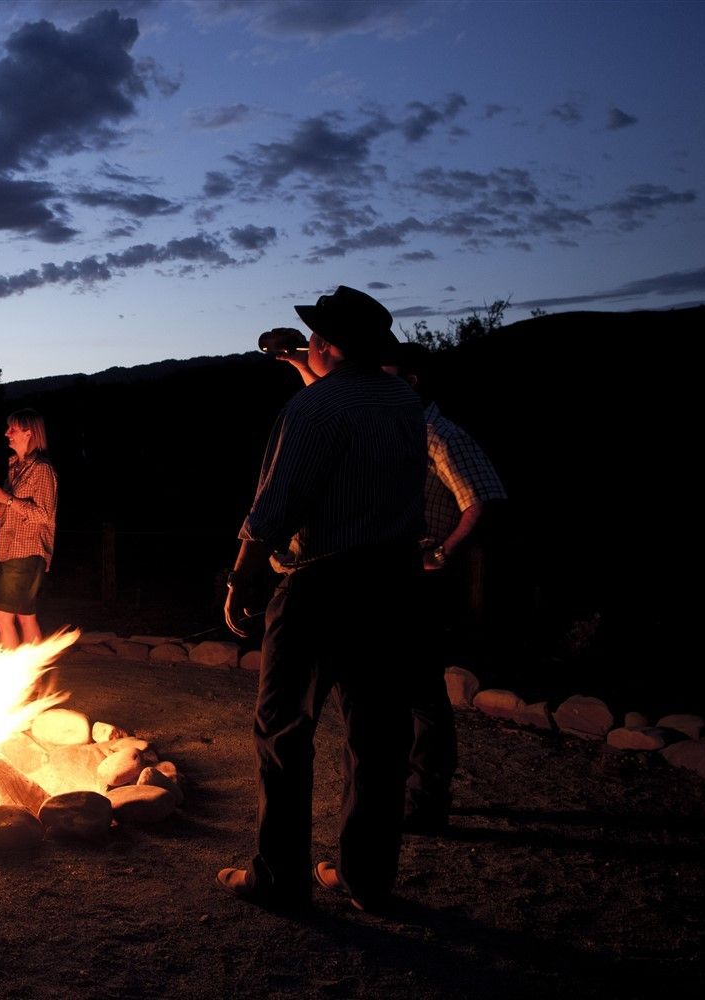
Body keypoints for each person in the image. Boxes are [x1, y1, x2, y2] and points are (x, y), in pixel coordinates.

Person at [217, 286, 425, 912]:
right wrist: (301, 368)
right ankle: (366, 877)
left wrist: (242, 577)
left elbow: (278, 503)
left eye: (313, 337)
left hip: (323, 583)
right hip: (392, 584)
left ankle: (278, 876)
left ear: (326, 344)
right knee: (379, 734)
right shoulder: (403, 401)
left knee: (284, 728)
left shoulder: (317, 409)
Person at [384, 341, 508, 833]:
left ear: (410, 381)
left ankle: (426, 800)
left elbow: (484, 500)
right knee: (400, 690)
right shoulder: (403, 432)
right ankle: (406, 792)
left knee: (421, 693)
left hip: (422, 583)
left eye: (384, 374)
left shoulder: (438, 434)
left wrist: (442, 552)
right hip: (396, 580)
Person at [0, 408, 57, 648]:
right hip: (6, 551)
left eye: (12, 429)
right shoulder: (15, 468)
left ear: (28, 432)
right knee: (26, 616)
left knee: (0, 617)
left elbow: (45, 515)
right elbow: (10, 513)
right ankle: (32, 681)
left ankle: (14, 680)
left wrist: (8, 499)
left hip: (26, 552)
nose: (7, 433)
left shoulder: (42, 470)